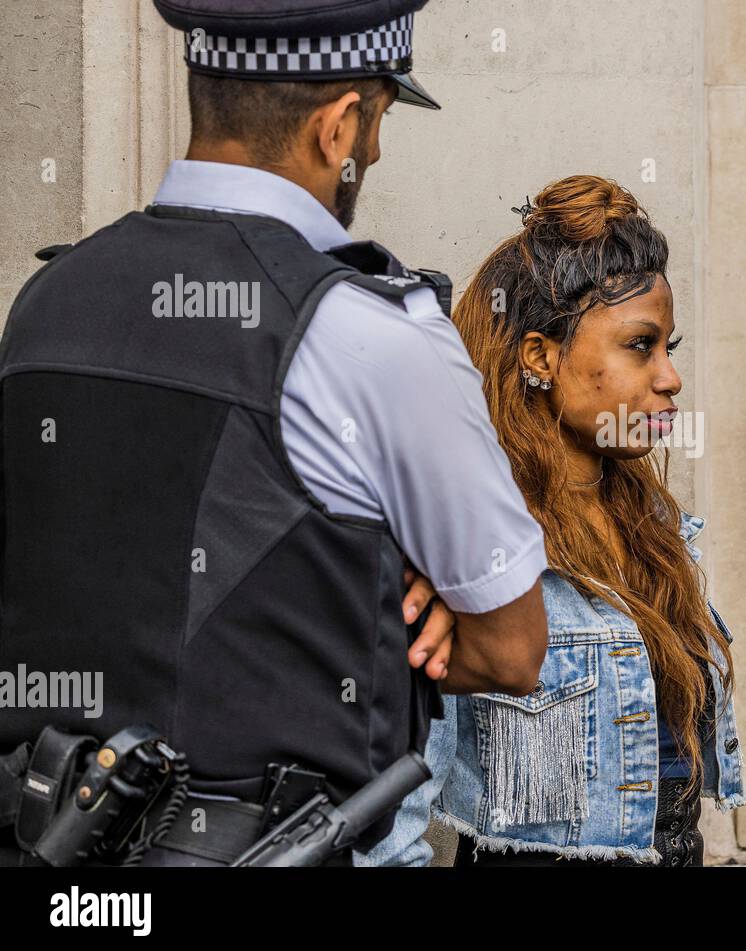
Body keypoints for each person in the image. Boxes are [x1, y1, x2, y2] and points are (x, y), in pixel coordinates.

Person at [0, 0, 548, 867]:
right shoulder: (376, 334)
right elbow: (513, 649)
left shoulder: (47, 302)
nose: (374, 152)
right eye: (377, 124)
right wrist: (398, 599)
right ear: (338, 127)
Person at [389, 175, 742, 867]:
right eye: (640, 346)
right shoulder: (469, 545)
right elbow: (394, 801)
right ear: (540, 357)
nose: (670, 377)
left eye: (671, 347)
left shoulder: (657, 532)